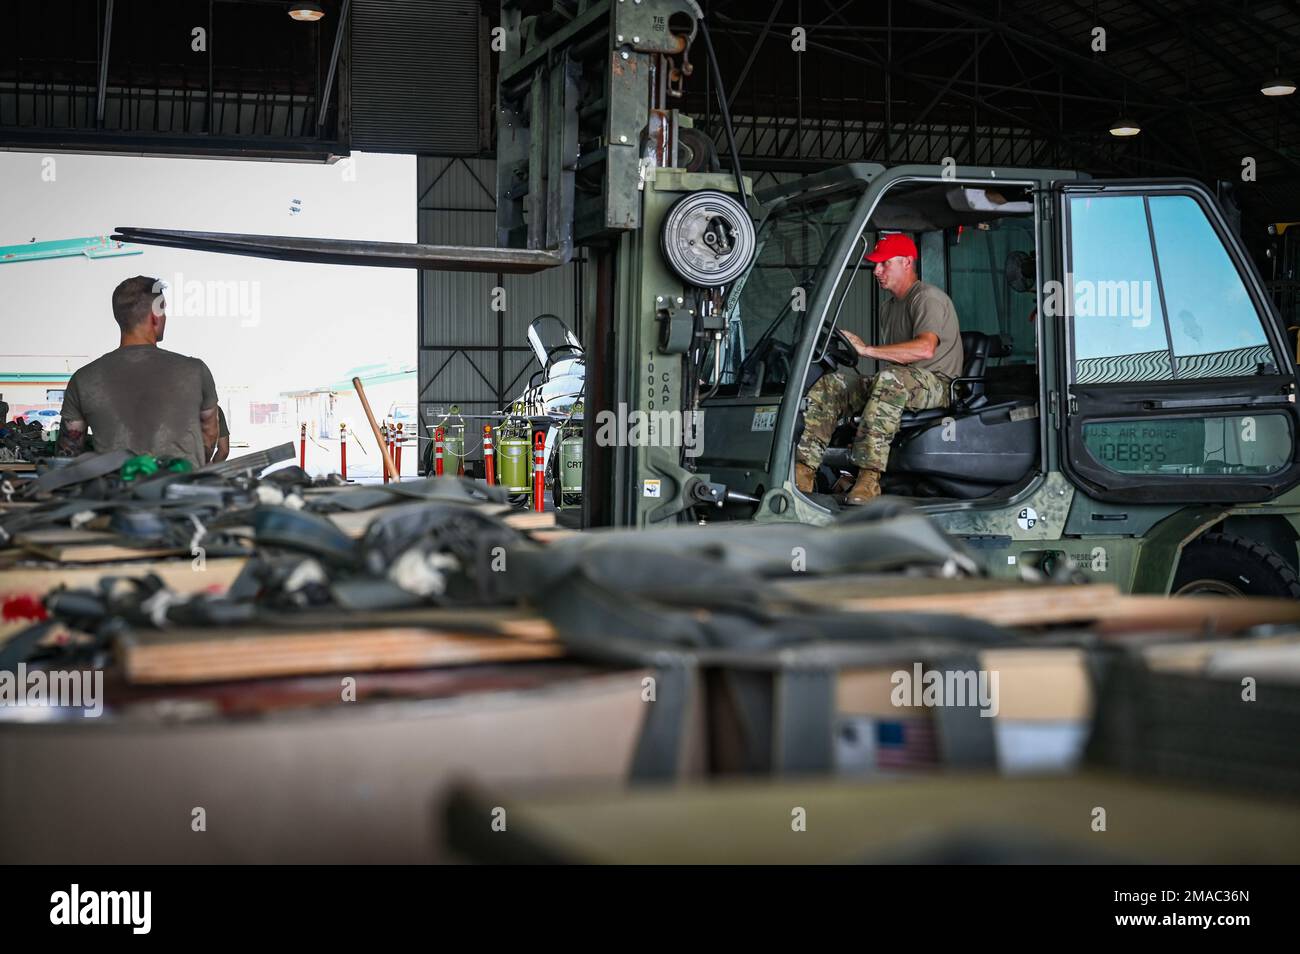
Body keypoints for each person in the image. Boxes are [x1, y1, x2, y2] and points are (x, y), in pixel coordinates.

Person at [795, 234, 963, 503]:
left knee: (889, 380)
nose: (876, 271)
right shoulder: (888, 308)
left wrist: (866, 350)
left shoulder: (927, 298)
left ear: (907, 262)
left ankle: (869, 478)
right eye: (876, 264)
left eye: (884, 264)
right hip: (900, 381)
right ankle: (805, 470)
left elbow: (924, 349)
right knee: (832, 384)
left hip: (939, 384)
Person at [59, 276, 219, 467]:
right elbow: (209, 434)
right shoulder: (195, 371)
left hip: (112, 492)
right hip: (184, 491)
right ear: (155, 316)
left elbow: (68, 454)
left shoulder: (83, 378)